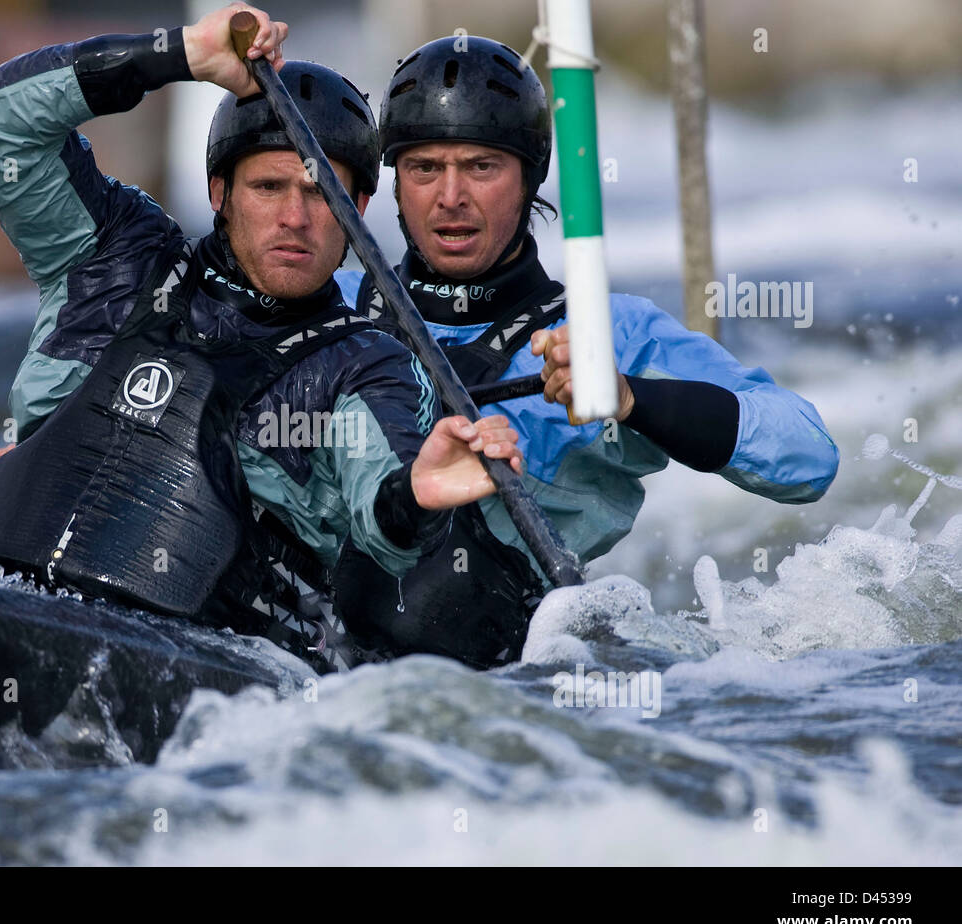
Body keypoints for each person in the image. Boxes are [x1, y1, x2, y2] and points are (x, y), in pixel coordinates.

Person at [0, 5, 524, 666]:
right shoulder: (111, 255)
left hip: (196, 669)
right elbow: (0, 122)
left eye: (320, 194)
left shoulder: (367, 365)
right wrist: (183, 56)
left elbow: (383, 505)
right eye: (268, 187)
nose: (293, 218)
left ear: (359, 211)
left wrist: (415, 496)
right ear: (219, 191)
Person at [331, 36, 840, 667]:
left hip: (512, 685)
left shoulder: (609, 333)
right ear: (393, 181)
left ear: (533, 174)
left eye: (482, 166)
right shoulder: (329, 305)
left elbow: (809, 457)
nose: (450, 196)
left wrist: (632, 399)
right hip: (312, 671)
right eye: (424, 167)